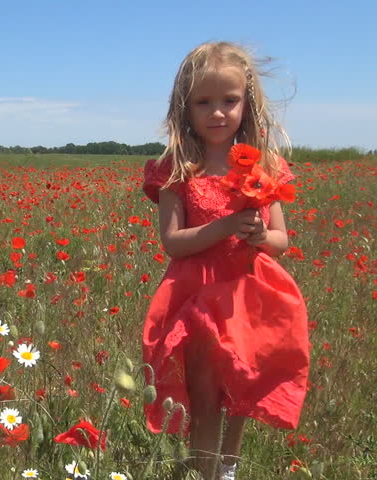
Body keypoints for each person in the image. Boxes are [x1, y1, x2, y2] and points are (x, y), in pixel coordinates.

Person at [141, 41, 309, 480]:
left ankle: (229, 469)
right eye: (204, 102)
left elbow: (281, 238)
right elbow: (173, 242)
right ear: (185, 107)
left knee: (243, 387)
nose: (217, 112)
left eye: (229, 101)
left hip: (248, 294)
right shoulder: (177, 168)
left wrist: (259, 235)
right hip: (196, 297)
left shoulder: (262, 164)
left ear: (246, 103)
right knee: (204, 395)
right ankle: (203, 471)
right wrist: (225, 226)